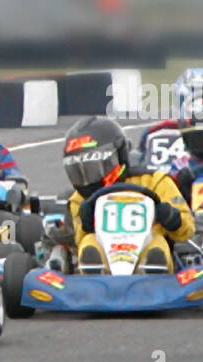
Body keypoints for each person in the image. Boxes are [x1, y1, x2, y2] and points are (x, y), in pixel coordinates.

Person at [61, 116, 194, 272]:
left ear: (120, 155)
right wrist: (86, 224)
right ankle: (95, 276)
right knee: (89, 244)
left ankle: (152, 274)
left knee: (157, 246)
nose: (87, 179)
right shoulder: (79, 199)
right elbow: (78, 242)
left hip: (148, 248)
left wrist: (170, 217)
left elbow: (187, 230)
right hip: (104, 261)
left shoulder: (154, 181)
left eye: (93, 168)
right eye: (79, 172)